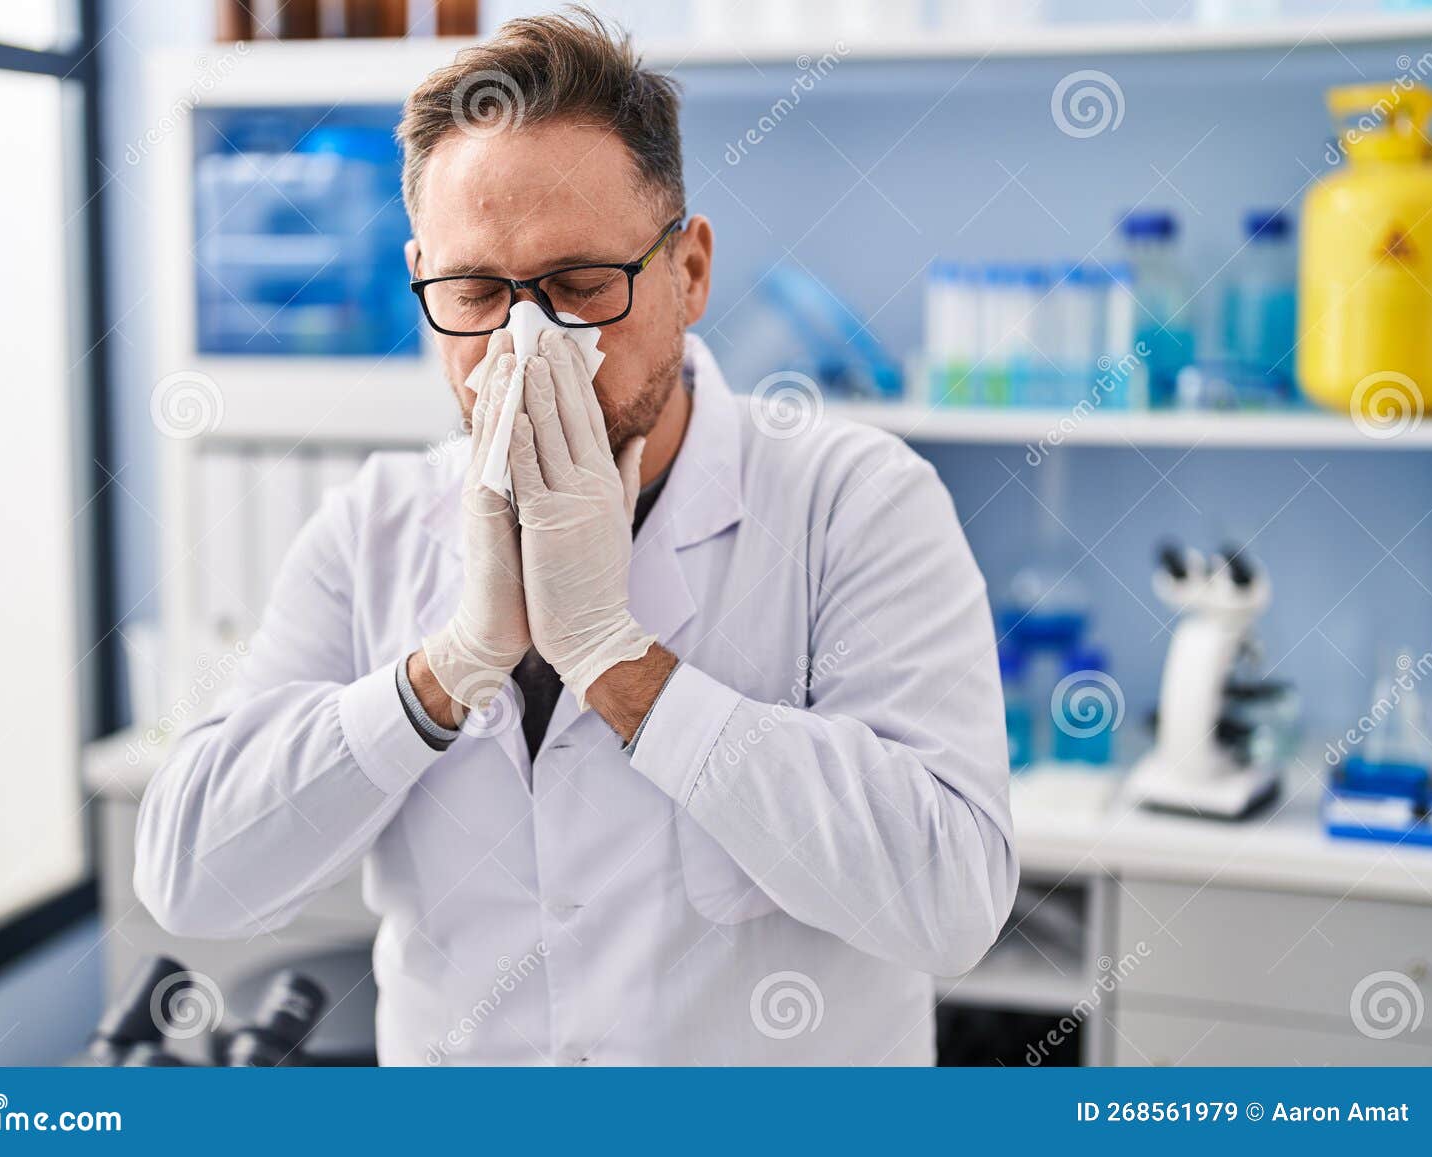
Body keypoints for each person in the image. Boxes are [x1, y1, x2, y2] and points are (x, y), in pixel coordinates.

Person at [135, 7, 1016, 1066]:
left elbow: (952, 898)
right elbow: (191, 873)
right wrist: (443, 669)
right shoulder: (369, 525)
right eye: (475, 292)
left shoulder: (855, 503)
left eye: (577, 287)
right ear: (424, 284)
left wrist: (618, 659)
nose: (525, 342)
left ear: (687, 271)